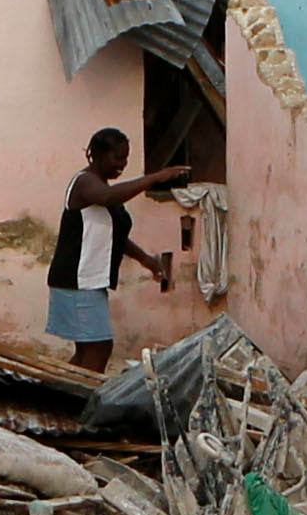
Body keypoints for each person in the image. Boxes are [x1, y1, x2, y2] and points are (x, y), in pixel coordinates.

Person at [47, 128, 204, 362]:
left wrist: (147, 260)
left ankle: (64, 396)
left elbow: (115, 237)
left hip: (87, 280)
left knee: (88, 350)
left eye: (126, 158)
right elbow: (108, 197)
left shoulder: (101, 185)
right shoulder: (86, 183)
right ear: (97, 155)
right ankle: (82, 397)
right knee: (98, 349)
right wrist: (154, 178)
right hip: (76, 280)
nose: (122, 164)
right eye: (118, 158)